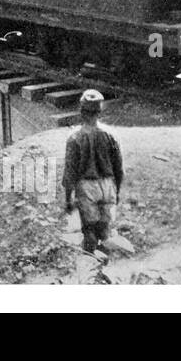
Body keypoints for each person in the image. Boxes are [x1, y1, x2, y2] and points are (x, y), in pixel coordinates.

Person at [62, 90, 124, 255]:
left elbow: (70, 172)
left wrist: (68, 198)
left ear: (81, 112)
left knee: (89, 230)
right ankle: (106, 267)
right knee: (105, 231)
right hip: (108, 185)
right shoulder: (111, 135)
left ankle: (91, 266)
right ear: (99, 111)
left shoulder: (75, 137)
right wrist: (116, 191)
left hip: (87, 187)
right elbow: (119, 168)